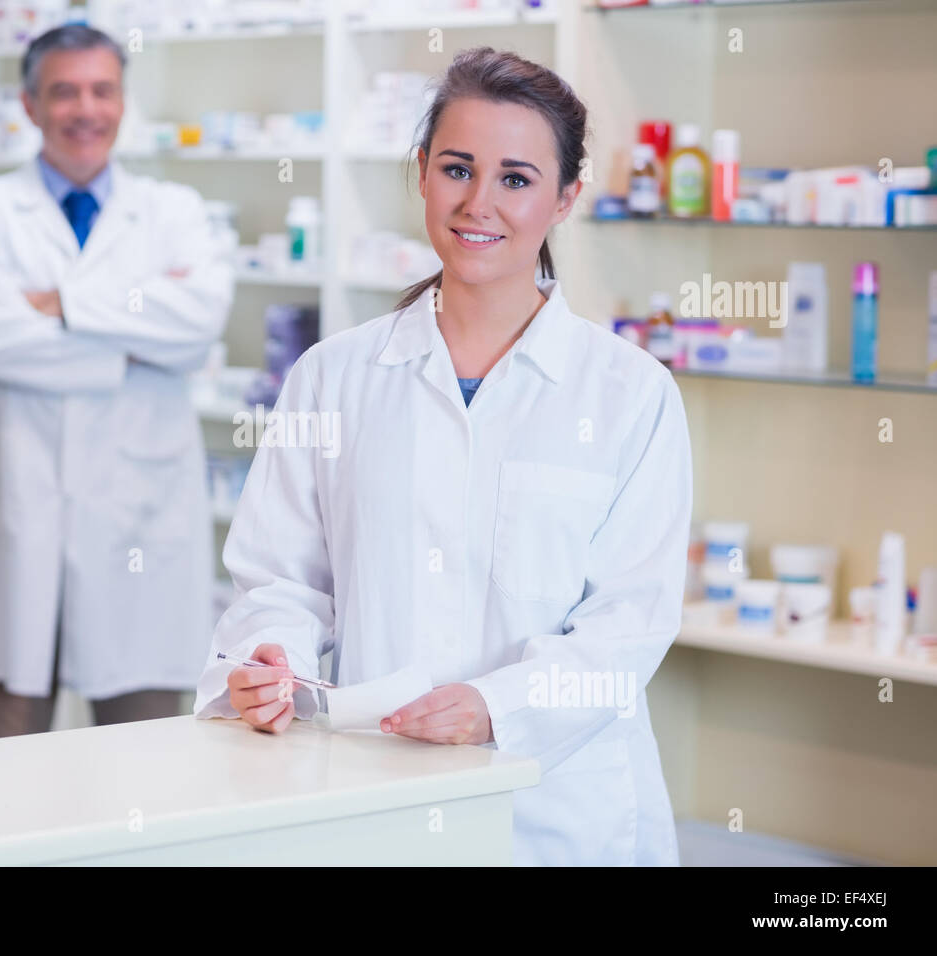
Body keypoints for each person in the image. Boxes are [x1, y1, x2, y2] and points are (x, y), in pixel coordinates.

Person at [193, 47, 692, 866]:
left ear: (566, 196)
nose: (478, 203)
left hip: (556, 811)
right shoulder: (332, 377)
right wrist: (268, 655)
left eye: (517, 179)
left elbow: (628, 628)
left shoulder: (629, 394)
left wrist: (497, 707)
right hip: (369, 794)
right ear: (422, 172)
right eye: (457, 167)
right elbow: (280, 579)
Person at [0, 24, 233, 739]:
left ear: (123, 101)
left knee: (143, 766)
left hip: (139, 527)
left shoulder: (174, 212)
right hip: (13, 520)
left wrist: (60, 302)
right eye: (64, 92)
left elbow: (199, 322)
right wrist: (133, 351)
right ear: (29, 106)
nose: (85, 109)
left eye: (102, 90)